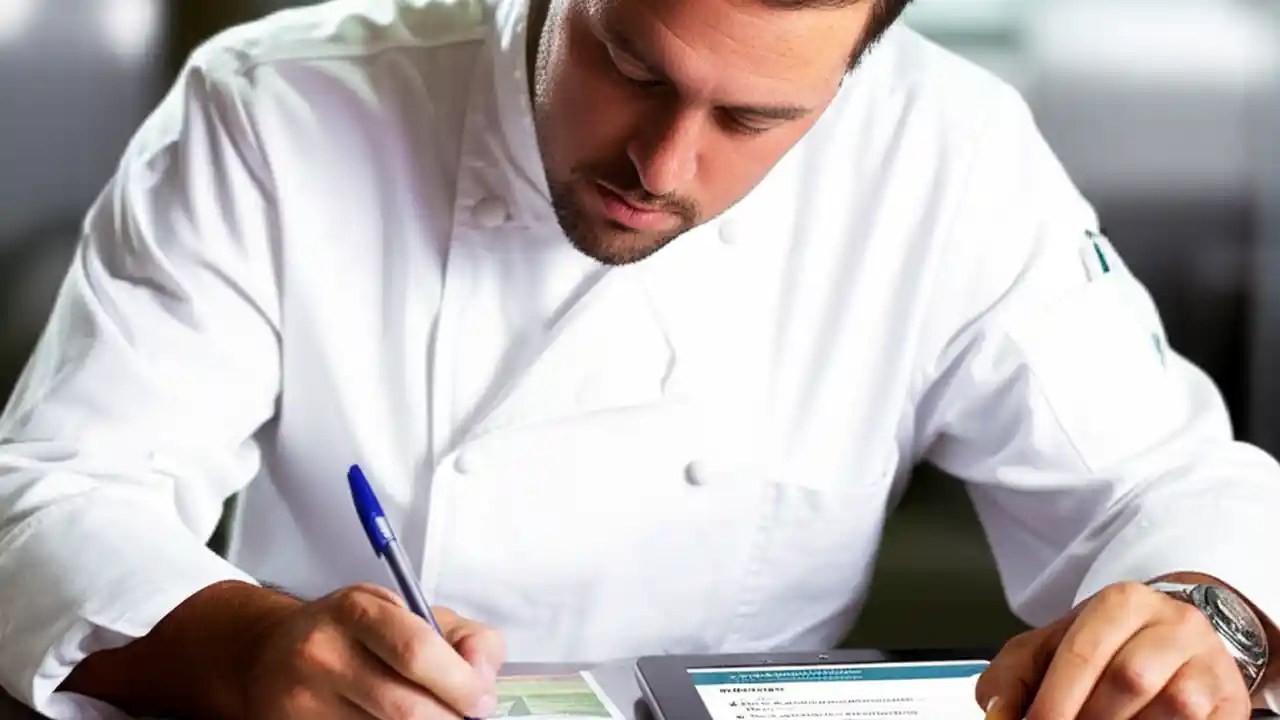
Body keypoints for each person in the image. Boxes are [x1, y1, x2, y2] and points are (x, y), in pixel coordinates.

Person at [0, 0, 1276, 717]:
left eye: (752, 119)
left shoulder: (950, 157)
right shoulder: (277, 109)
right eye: (626, 65)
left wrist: (1200, 618)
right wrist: (247, 653)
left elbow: (1169, 484)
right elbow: (56, 495)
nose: (658, 167)